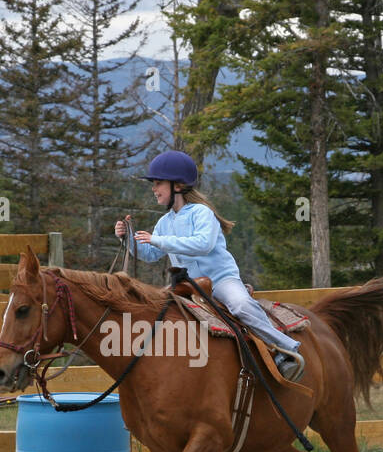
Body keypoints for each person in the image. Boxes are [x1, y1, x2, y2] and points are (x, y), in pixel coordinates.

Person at [115, 150, 305, 382]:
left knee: (241, 305)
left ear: (178, 185)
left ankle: (287, 350)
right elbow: (151, 254)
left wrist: (157, 239)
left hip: (221, 281)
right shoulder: (164, 222)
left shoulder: (202, 213)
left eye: (158, 183)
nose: (154, 189)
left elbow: (202, 245)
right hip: (189, 287)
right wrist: (128, 239)